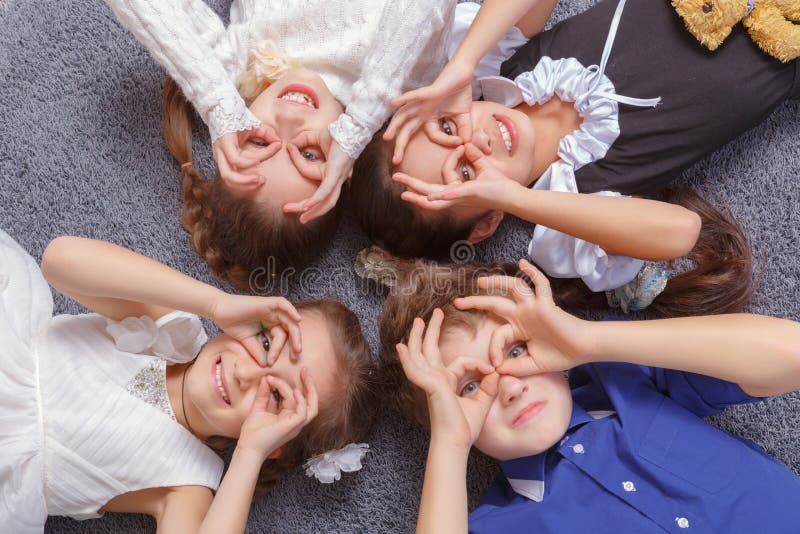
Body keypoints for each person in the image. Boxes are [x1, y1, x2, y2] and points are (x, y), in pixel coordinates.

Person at [350, 0, 800, 292]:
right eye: (465, 173)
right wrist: (519, 199)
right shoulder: (569, 212)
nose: (478, 139)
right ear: (486, 221)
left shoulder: (502, 64)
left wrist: (463, 62)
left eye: (447, 127)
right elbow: (681, 232)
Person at [379, 258, 800, 533]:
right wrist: (450, 447)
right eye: (469, 387)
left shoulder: (625, 378)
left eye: (515, 350)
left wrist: (588, 339)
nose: (508, 385)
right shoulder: (500, 523)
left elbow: (791, 355)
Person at [0, 230, 377, 532]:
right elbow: (60, 260)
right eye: (265, 343)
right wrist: (215, 303)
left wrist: (249, 456)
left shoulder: (187, 484)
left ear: (277, 441)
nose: (244, 373)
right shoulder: (169, 330)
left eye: (276, 396)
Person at [102, 0, 456, 287]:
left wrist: (215, 100)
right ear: (342, 170)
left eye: (258, 141)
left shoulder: (238, 73)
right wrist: (358, 125)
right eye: (307, 153)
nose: (288, 118)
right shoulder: (404, 85)